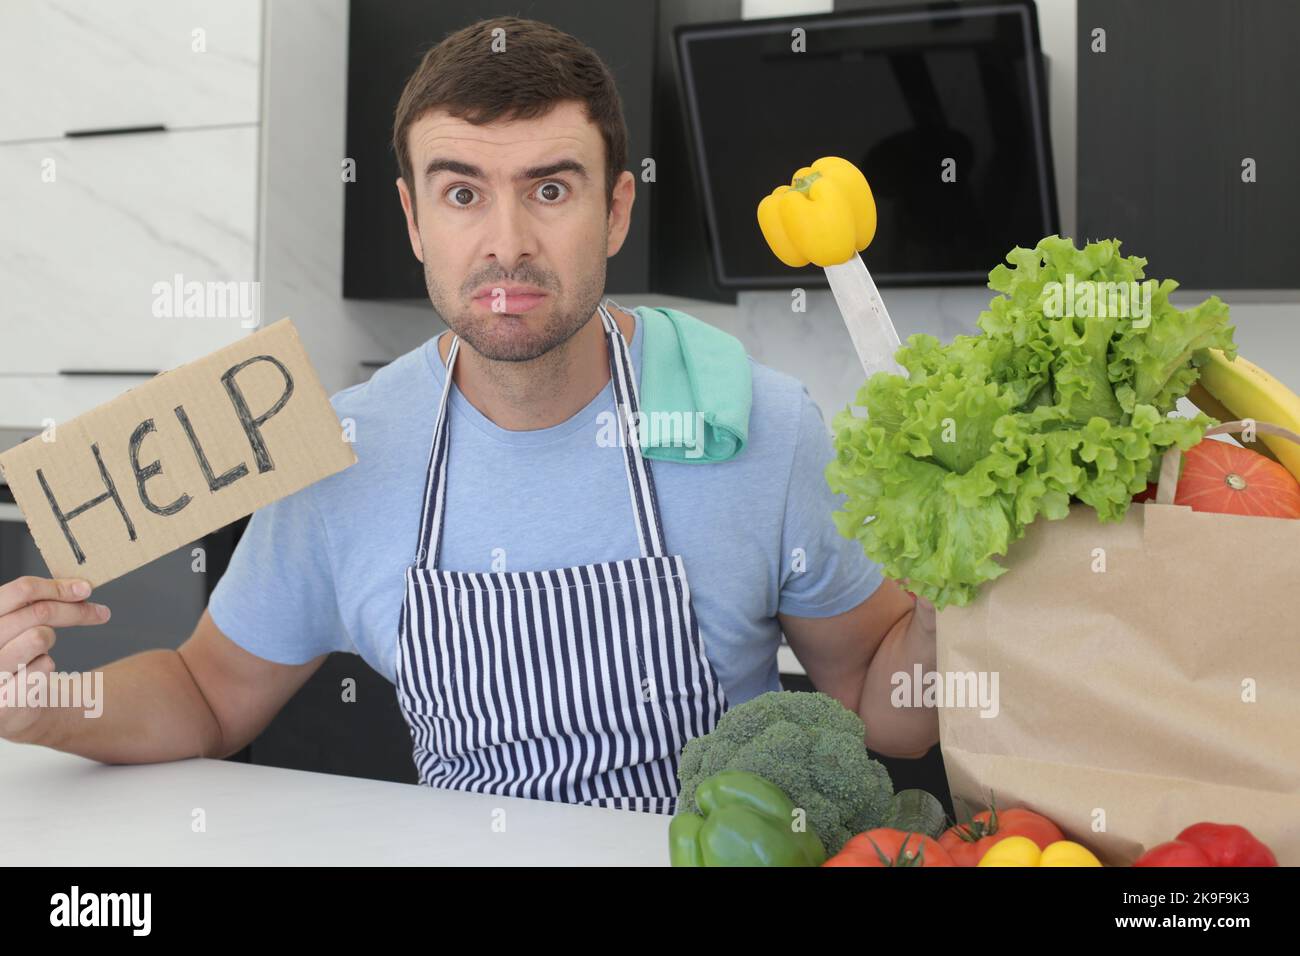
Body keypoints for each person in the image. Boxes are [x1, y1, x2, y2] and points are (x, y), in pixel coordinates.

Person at [0, 16, 937, 812]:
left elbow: (879, 700)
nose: (506, 244)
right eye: (462, 194)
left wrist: (965, 601)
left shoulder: (761, 427)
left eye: (551, 189)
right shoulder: (340, 449)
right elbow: (205, 694)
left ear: (614, 213)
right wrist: (46, 707)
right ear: (414, 222)